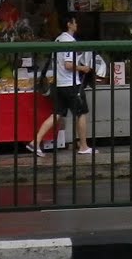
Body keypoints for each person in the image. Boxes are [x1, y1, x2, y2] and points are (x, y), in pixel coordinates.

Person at [29, 14, 94, 156]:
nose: (77, 25)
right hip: (71, 84)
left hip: (59, 84)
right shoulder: (69, 41)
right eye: (75, 22)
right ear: (69, 24)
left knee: (57, 114)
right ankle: (83, 146)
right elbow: (68, 65)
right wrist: (83, 68)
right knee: (81, 113)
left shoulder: (58, 39)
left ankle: (35, 141)